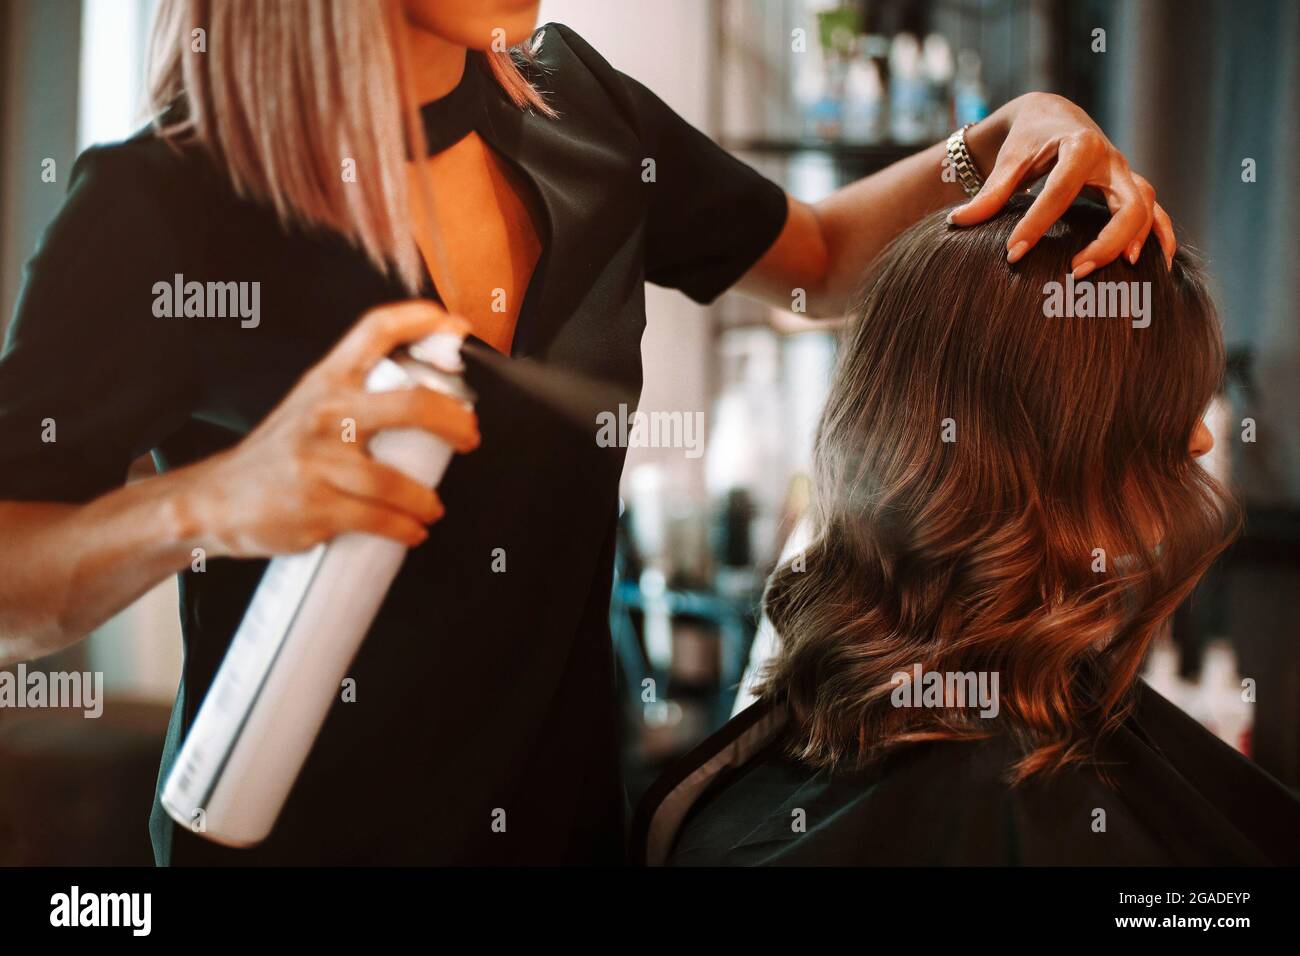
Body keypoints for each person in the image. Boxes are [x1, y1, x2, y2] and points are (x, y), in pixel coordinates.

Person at [0, 0, 1176, 865]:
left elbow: (816, 263)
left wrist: (1015, 130)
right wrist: (211, 501)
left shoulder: (578, 111)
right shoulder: (158, 212)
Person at [637, 198, 1300, 866]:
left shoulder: (845, 735)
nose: (1201, 437)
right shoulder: (995, 804)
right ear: (1054, 441)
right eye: (1170, 399)